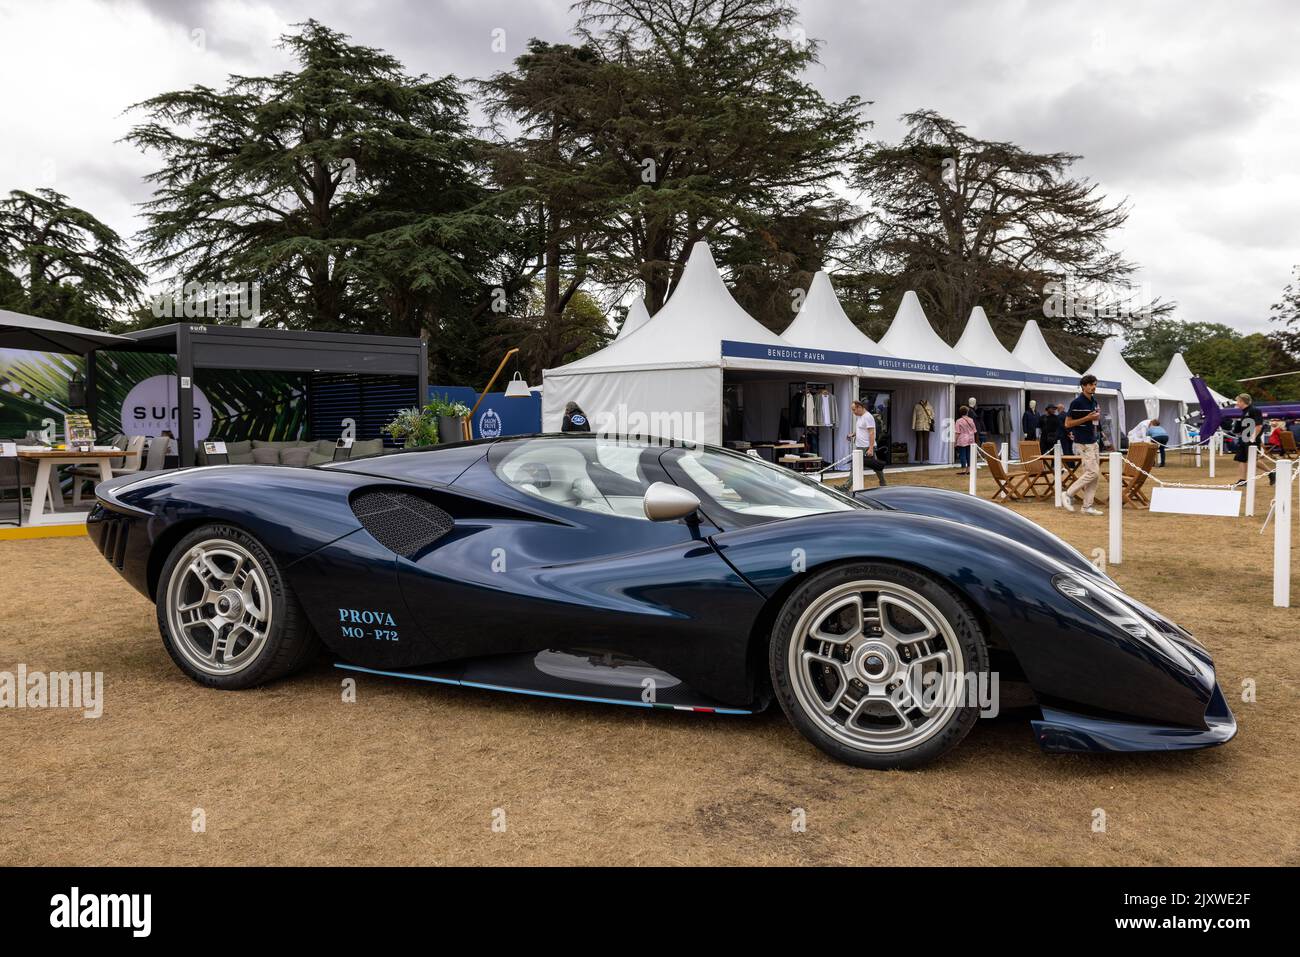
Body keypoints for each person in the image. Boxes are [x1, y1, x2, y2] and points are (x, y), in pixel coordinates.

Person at [1062, 375, 1103, 516]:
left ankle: (1087, 507)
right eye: (1091, 384)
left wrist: (1095, 420)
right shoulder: (1077, 402)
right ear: (1083, 386)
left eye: (1095, 384)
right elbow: (1067, 424)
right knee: (1093, 472)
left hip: (1093, 440)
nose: (1093, 387)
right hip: (1083, 442)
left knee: (1094, 475)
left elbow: (1093, 421)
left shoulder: (1093, 401)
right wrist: (1088, 418)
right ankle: (1068, 494)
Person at [846, 400, 888, 487]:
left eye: (854, 410)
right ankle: (883, 483)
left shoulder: (868, 417)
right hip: (861, 446)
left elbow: (871, 433)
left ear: (860, 407)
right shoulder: (860, 416)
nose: (853, 412)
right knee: (876, 467)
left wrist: (871, 448)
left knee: (856, 466)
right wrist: (853, 434)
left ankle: (846, 487)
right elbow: (861, 429)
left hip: (866, 447)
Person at [1231, 393, 1262, 486]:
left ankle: (1272, 473)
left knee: (1253, 460)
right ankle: (1242, 480)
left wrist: (1252, 438)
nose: (1237, 404)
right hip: (1243, 439)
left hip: (1251, 440)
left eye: (1238, 402)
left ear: (1242, 401)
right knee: (1241, 459)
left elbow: (1259, 426)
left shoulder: (1254, 410)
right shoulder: (1244, 412)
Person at [953, 404, 976, 474]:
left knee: (962, 455)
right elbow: (975, 430)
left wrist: (955, 441)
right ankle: (968, 470)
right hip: (971, 438)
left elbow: (957, 432)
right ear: (967, 412)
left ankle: (963, 470)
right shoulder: (971, 420)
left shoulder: (958, 421)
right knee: (969, 455)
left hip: (962, 439)